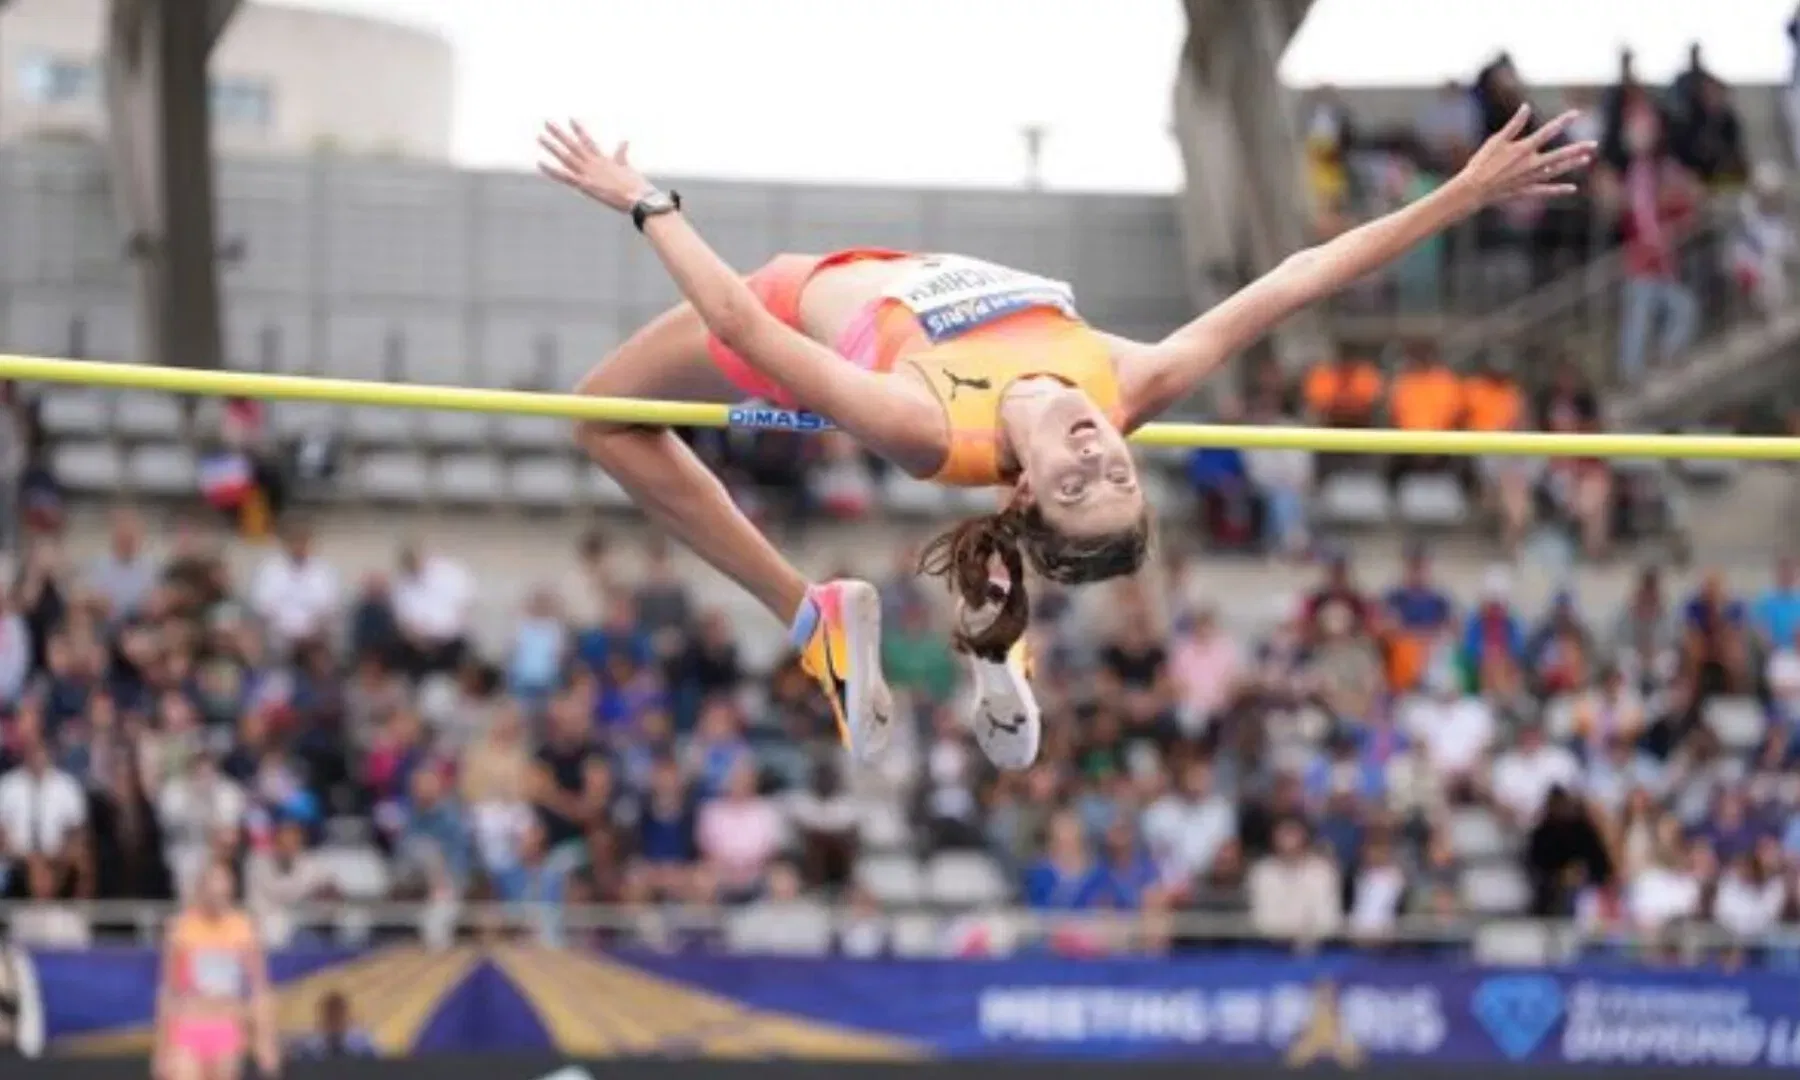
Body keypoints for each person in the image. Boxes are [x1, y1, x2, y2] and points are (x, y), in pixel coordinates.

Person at [536, 107, 1595, 769]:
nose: (1099, 454)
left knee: (601, 417)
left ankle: (809, 616)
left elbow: (745, 327)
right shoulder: (1135, 381)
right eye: (1120, 472)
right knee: (608, 416)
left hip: (784, 297)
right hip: (877, 269)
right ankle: (994, 645)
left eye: (1082, 484)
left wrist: (647, 201)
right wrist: (1459, 195)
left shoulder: (923, 424)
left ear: (1032, 493)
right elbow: (1297, 278)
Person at [152, 861, 279, 1080]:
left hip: (226, 1027)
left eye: (223, 893)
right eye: (212, 891)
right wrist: (161, 1049)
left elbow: (259, 989)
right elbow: (168, 991)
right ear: (200, 891)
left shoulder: (243, 928)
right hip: (188, 1026)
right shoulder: (181, 929)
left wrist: (265, 1041)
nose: (217, 897)